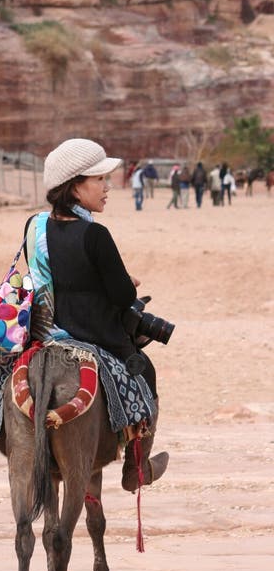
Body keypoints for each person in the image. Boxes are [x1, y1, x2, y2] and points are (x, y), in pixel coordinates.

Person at [27, 138, 169, 493]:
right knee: (145, 371)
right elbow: (122, 295)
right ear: (75, 186)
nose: (107, 188)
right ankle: (136, 467)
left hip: (44, 332)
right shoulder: (95, 234)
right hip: (94, 335)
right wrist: (126, 282)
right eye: (100, 179)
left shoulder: (34, 226)